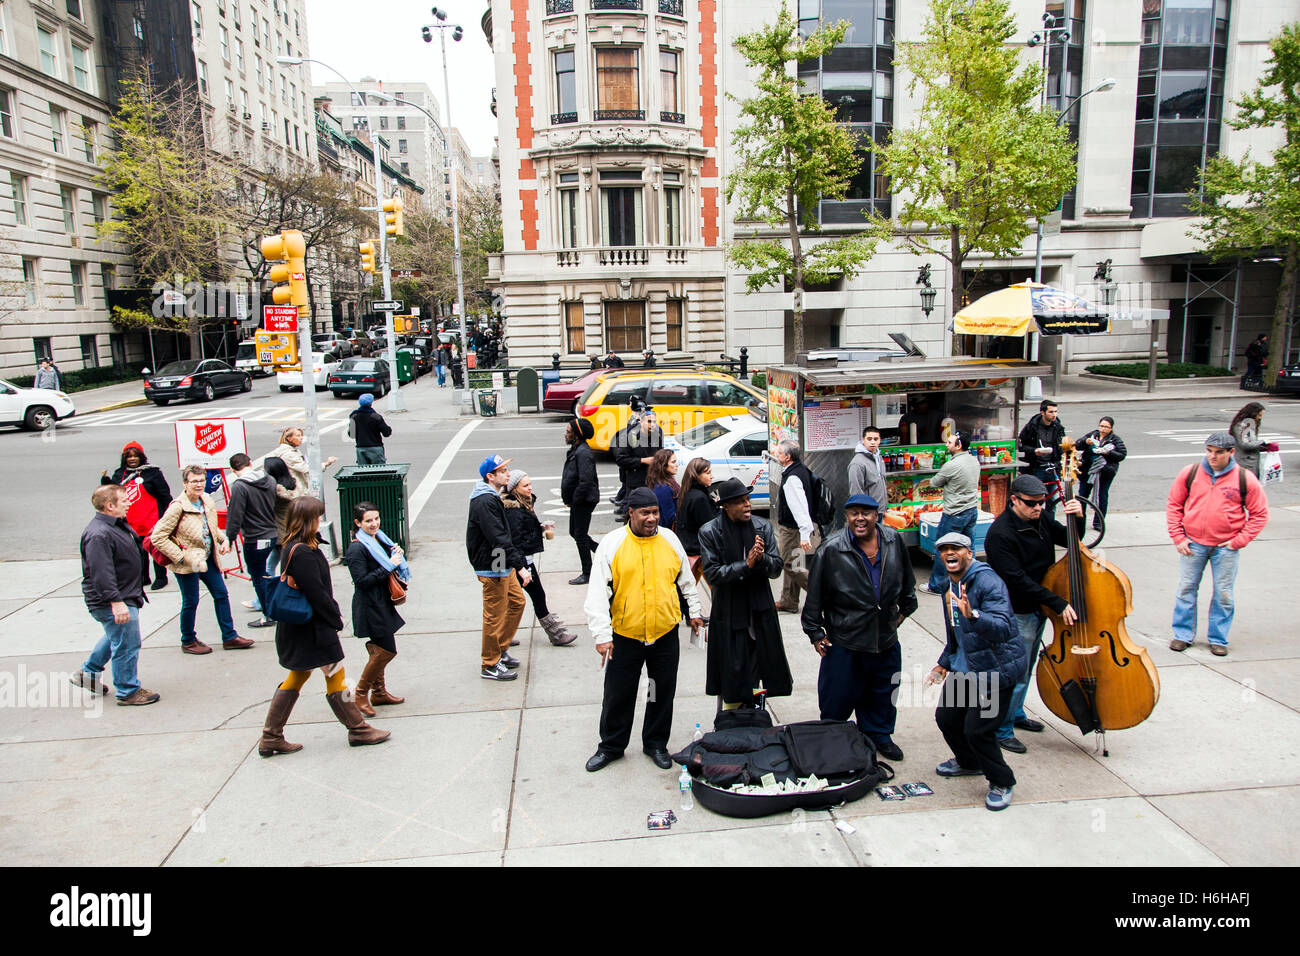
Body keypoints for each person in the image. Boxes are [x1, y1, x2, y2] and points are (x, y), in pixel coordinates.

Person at [256, 497, 390, 755]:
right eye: (317, 516)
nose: (321, 520)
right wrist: (335, 619)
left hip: (300, 628)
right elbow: (317, 593)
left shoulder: (294, 546)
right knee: (335, 674)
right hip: (314, 629)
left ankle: (271, 735)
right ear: (308, 521)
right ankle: (358, 729)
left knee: (300, 674)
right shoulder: (303, 552)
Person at [583, 487, 703, 772]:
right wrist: (602, 635)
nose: (651, 518)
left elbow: (686, 580)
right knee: (618, 693)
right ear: (631, 513)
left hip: (664, 633)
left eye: (655, 512)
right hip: (625, 635)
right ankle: (611, 746)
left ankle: (656, 744)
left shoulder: (670, 540)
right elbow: (597, 593)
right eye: (645, 513)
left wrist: (695, 612)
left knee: (660, 691)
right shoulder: (612, 544)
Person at [801, 494, 917, 762]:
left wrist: (900, 615)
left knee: (883, 694)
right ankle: (833, 739)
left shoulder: (893, 540)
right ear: (847, 517)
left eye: (866, 513)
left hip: (884, 641)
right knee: (836, 699)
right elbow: (814, 597)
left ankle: (879, 735)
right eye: (854, 513)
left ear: (877, 515)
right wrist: (815, 633)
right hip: (845, 641)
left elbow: (906, 583)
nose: (860, 518)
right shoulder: (831, 548)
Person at [982, 474, 1084, 754]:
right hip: (1017, 609)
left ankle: (1015, 715)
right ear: (1014, 500)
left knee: (1025, 669)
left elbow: (1072, 540)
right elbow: (1017, 580)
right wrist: (1058, 602)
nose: (1038, 508)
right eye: (1031, 503)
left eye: (1041, 503)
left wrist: (1078, 519)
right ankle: (1001, 729)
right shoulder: (1000, 535)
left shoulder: (1041, 518)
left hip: (1039, 606)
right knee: (1013, 672)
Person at [926, 532, 1023, 812]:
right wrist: (944, 662)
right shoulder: (949, 585)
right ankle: (969, 763)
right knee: (947, 718)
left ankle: (1002, 781)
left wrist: (974, 615)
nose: (949, 553)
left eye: (956, 548)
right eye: (944, 549)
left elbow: (1004, 626)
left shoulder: (987, 581)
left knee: (978, 730)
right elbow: (955, 634)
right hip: (965, 667)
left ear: (969, 553)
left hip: (995, 670)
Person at [1166, 431, 1270, 657]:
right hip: (1193, 544)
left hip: (1225, 547)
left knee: (1223, 594)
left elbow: (1260, 514)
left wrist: (1238, 541)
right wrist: (1178, 537)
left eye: (1219, 452)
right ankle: (1182, 635)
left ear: (1231, 452)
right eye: (1209, 451)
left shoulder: (1244, 478)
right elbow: (1174, 505)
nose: (1213, 456)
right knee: (1186, 590)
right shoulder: (1190, 473)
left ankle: (1217, 638)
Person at [698, 478, 790, 710]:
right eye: (740, 502)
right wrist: (746, 565)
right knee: (732, 669)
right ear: (725, 507)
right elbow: (713, 573)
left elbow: (777, 567)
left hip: (760, 611)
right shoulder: (710, 532)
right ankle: (732, 718)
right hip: (730, 611)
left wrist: (761, 560)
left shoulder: (763, 527)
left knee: (760, 666)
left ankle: (756, 713)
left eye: (747, 500)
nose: (747, 505)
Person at [151, 465, 255, 655]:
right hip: (187, 564)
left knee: (221, 594)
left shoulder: (206, 500)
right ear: (185, 483)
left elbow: (210, 527)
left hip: (207, 559)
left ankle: (230, 636)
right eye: (194, 481)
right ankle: (188, 640)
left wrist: (223, 540)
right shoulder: (177, 507)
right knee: (191, 601)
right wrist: (181, 557)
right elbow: (157, 537)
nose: (199, 485)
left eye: (202, 481)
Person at [73, 485, 158, 705]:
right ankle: (127, 690)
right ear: (110, 506)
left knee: (116, 636)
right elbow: (101, 573)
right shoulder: (99, 534)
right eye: (124, 500)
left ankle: (88, 672)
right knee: (127, 643)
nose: (129, 502)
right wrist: (116, 602)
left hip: (124, 595)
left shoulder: (115, 524)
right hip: (113, 599)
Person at [467, 454, 530, 681]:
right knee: (494, 615)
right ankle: (490, 663)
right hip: (492, 563)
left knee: (517, 601)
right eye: (502, 471)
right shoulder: (485, 501)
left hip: (499, 560)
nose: (507, 474)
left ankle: (500, 648)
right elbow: (499, 538)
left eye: (506, 469)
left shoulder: (492, 496)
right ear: (490, 476)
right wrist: (520, 566)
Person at [345, 501, 410, 717]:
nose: (374, 524)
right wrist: (389, 565)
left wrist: (395, 555)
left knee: (380, 649)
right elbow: (361, 580)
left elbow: (387, 565)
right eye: (368, 521)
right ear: (357, 523)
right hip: (370, 606)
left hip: (381, 602)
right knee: (386, 651)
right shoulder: (357, 548)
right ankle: (361, 693)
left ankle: (379, 692)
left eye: (376, 519)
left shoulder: (379, 540)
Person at [503, 470, 577, 646]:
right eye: (525, 485)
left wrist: (540, 529)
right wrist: (523, 568)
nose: (530, 488)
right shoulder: (514, 509)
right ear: (515, 488)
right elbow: (515, 540)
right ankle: (556, 635)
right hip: (520, 561)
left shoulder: (523, 502)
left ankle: (503, 634)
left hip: (521, 560)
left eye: (530, 484)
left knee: (513, 599)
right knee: (537, 595)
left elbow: (523, 531)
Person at [224, 453, 287, 629]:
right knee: (267, 573)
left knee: (259, 577)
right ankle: (273, 607)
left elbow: (235, 514)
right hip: (272, 533)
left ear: (233, 469)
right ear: (250, 463)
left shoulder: (240, 486)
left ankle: (268, 614)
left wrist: (230, 538)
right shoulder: (269, 480)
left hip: (254, 537)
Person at [101, 441, 172, 591]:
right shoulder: (120, 474)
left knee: (156, 549)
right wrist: (106, 483)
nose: (132, 459)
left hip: (152, 518)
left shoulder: (152, 472)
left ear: (141, 457)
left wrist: (169, 514)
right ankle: (143, 577)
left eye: (135, 456)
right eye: (129, 456)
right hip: (131, 520)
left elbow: (165, 494)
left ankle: (161, 577)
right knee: (138, 551)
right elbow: (113, 494)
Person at [922, 430, 980, 595]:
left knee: (944, 549)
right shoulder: (974, 460)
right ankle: (970, 582)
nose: (946, 444)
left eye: (949, 442)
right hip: (971, 510)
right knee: (969, 548)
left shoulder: (952, 465)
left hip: (954, 513)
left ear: (959, 445)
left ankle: (937, 586)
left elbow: (934, 482)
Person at [773, 440, 820, 613]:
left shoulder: (793, 477)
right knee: (795, 562)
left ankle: (822, 594)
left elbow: (799, 507)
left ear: (787, 457)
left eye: (779, 453)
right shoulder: (799, 470)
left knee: (789, 564)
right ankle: (789, 601)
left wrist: (805, 533)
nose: (776, 455)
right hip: (796, 529)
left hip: (791, 530)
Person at [561, 417, 600, 585]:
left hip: (584, 500)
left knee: (580, 535)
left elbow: (586, 481)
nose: (565, 434)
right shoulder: (577, 449)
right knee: (574, 532)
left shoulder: (583, 453)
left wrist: (575, 500)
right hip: (578, 500)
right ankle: (602, 551)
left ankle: (588, 572)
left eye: (568, 432)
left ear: (576, 434)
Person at [1077, 417, 1128, 531]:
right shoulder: (1093, 435)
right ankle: (1080, 520)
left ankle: (1098, 522)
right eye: (1101, 426)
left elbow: (1122, 454)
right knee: (1082, 495)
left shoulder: (1114, 439)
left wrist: (1108, 452)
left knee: (1102, 495)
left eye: (1106, 427)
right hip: (1088, 470)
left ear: (1111, 428)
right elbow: (1077, 444)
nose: (1103, 429)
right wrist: (1086, 442)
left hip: (1105, 471)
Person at [1018, 399, 1066, 519]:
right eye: (1051, 412)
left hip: (1053, 466)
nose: (1054, 414)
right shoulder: (1032, 427)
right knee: (1036, 499)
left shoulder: (1058, 427)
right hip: (1037, 467)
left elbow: (1062, 445)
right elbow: (1021, 445)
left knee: (1052, 500)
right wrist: (1034, 451)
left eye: (1056, 411)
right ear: (1043, 412)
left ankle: (1049, 524)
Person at [675, 457, 720, 580]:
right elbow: (709, 525)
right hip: (697, 551)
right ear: (696, 475)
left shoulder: (688, 491)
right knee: (717, 588)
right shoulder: (699, 497)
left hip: (689, 546)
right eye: (708, 473)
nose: (712, 476)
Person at [613, 405, 664, 507]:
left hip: (652, 481)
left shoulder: (657, 437)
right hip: (635, 483)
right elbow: (621, 460)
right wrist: (642, 461)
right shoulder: (630, 437)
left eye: (654, 422)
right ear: (641, 422)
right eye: (649, 422)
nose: (652, 425)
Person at [270, 426, 337, 497]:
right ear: (289, 438)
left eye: (301, 435)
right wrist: (326, 464)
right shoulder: (288, 454)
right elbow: (305, 468)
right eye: (298, 436)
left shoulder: (290, 451)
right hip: (295, 493)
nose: (301, 438)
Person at [1229, 402, 1276, 480]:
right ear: (1252, 414)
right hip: (1244, 463)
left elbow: (1252, 444)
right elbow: (1245, 444)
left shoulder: (1249, 425)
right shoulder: (1240, 426)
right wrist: (1263, 442)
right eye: (1259, 415)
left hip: (1251, 463)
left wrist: (1266, 447)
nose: (1260, 417)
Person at [847, 425, 887, 506]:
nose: (872, 442)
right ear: (863, 440)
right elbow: (856, 492)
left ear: (879, 441)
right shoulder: (857, 463)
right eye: (869, 439)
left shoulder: (879, 458)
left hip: (881, 510)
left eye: (875, 439)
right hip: (869, 512)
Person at [349, 393, 392, 465]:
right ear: (371, 403)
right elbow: (386, 433)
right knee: (378, 472)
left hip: (361, 448)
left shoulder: (354, 416)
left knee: (363, 473)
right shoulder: (376, 417)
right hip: (376, 448)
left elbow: (351, 434)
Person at [645, 449, 680, 531]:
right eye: (673, 462)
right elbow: (670, 517)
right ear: (664, 465)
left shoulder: (666, 481)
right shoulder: (663, 488)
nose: (677, 465)